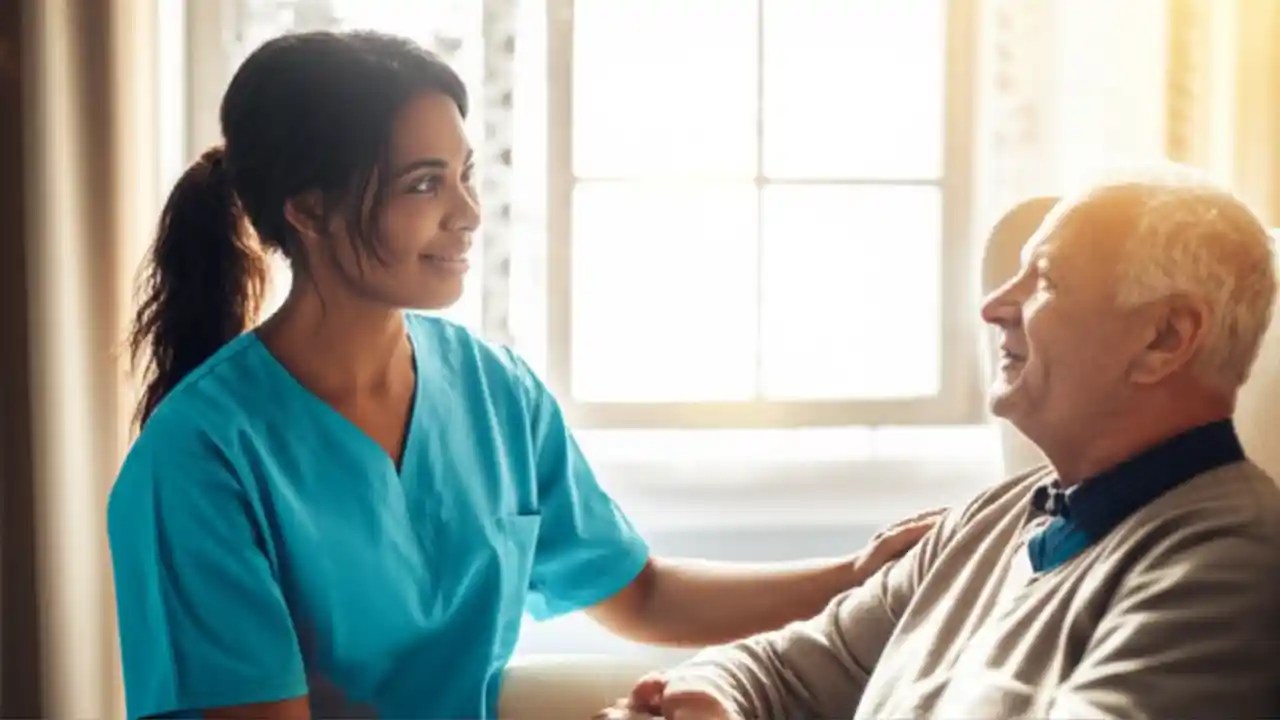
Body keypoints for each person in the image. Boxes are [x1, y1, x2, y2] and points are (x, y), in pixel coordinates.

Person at [106, 31, 939, 720]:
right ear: (310, 210)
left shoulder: (495, 392)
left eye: (465, 175)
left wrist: (861, 577)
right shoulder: (198, 460)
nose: (468, 213)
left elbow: (640, 595)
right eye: (424, 184)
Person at [606, 168, 1280, 720]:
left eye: (1045, 279)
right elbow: (784, 667)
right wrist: (706, 699)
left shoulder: (1228, 565)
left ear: (1164, 338)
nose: (994, 306)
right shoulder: (991, 519)